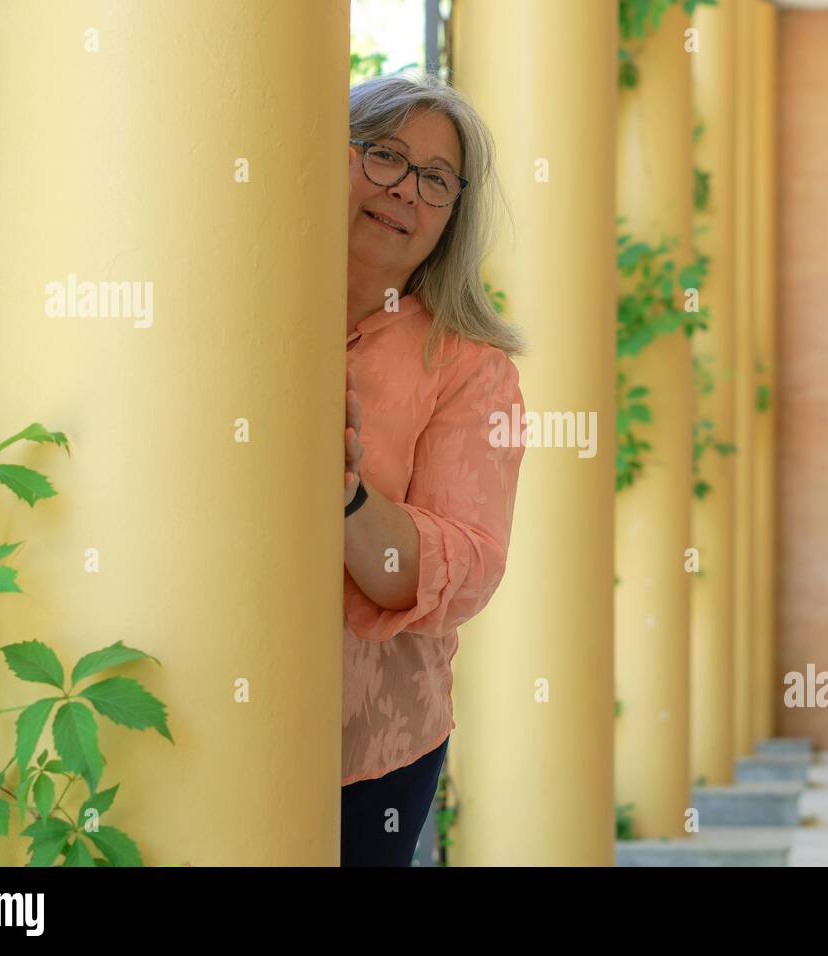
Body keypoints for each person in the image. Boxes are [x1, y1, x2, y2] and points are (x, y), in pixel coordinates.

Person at [340, 70, 527, 867]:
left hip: (368, 760)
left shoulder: (469, 366)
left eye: (437, 180)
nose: (406, 190)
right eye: (383, 155)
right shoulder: (239, 304)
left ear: (455, 216)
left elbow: (468, 566)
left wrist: (344, 495)